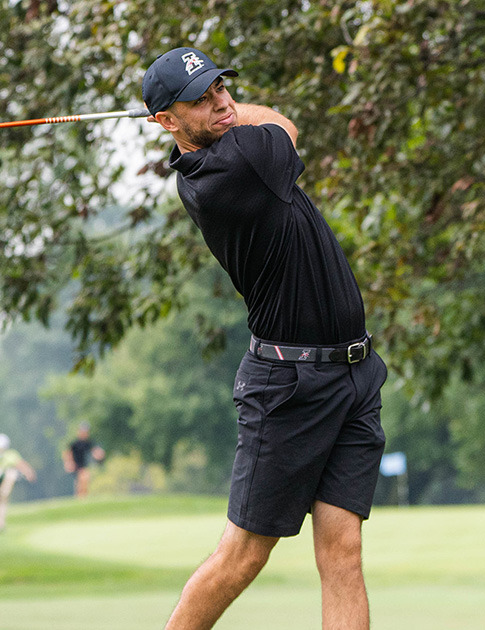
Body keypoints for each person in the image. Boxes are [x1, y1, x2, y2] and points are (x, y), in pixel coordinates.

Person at [142, 47, 388, 630]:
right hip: (289, 387)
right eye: (201, 100)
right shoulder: (232, 169)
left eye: (222, 88)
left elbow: (259, 123)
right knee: (242, 557)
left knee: (343, 552)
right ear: (166, 121)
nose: (222, 103)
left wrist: (211, 113)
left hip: (353, 374)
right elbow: (283, 123)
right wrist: (234, 118)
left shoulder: (230, 148)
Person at [63, 422, 105, 498]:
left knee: (84, 480)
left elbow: (94, 451)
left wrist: (99, 454)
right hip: (76, 465)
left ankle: (82, 497)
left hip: (83, 465)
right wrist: (68, 463)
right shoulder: (75, 444)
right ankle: (80, 497)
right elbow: (68, 453)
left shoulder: (88, 443)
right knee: (82, 480)